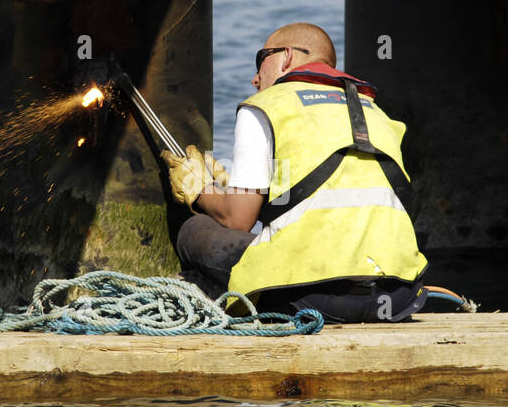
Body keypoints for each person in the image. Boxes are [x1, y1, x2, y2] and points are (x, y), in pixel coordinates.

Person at [165, 22, 428, 323]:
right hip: (397, 297)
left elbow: (238, 219)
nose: (254, 79)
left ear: (286, 57)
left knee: (194, 231)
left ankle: (217, 301)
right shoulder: (374, 111)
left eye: (260, 59)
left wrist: (199, 190)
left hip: (310, 297)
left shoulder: (265, 106)